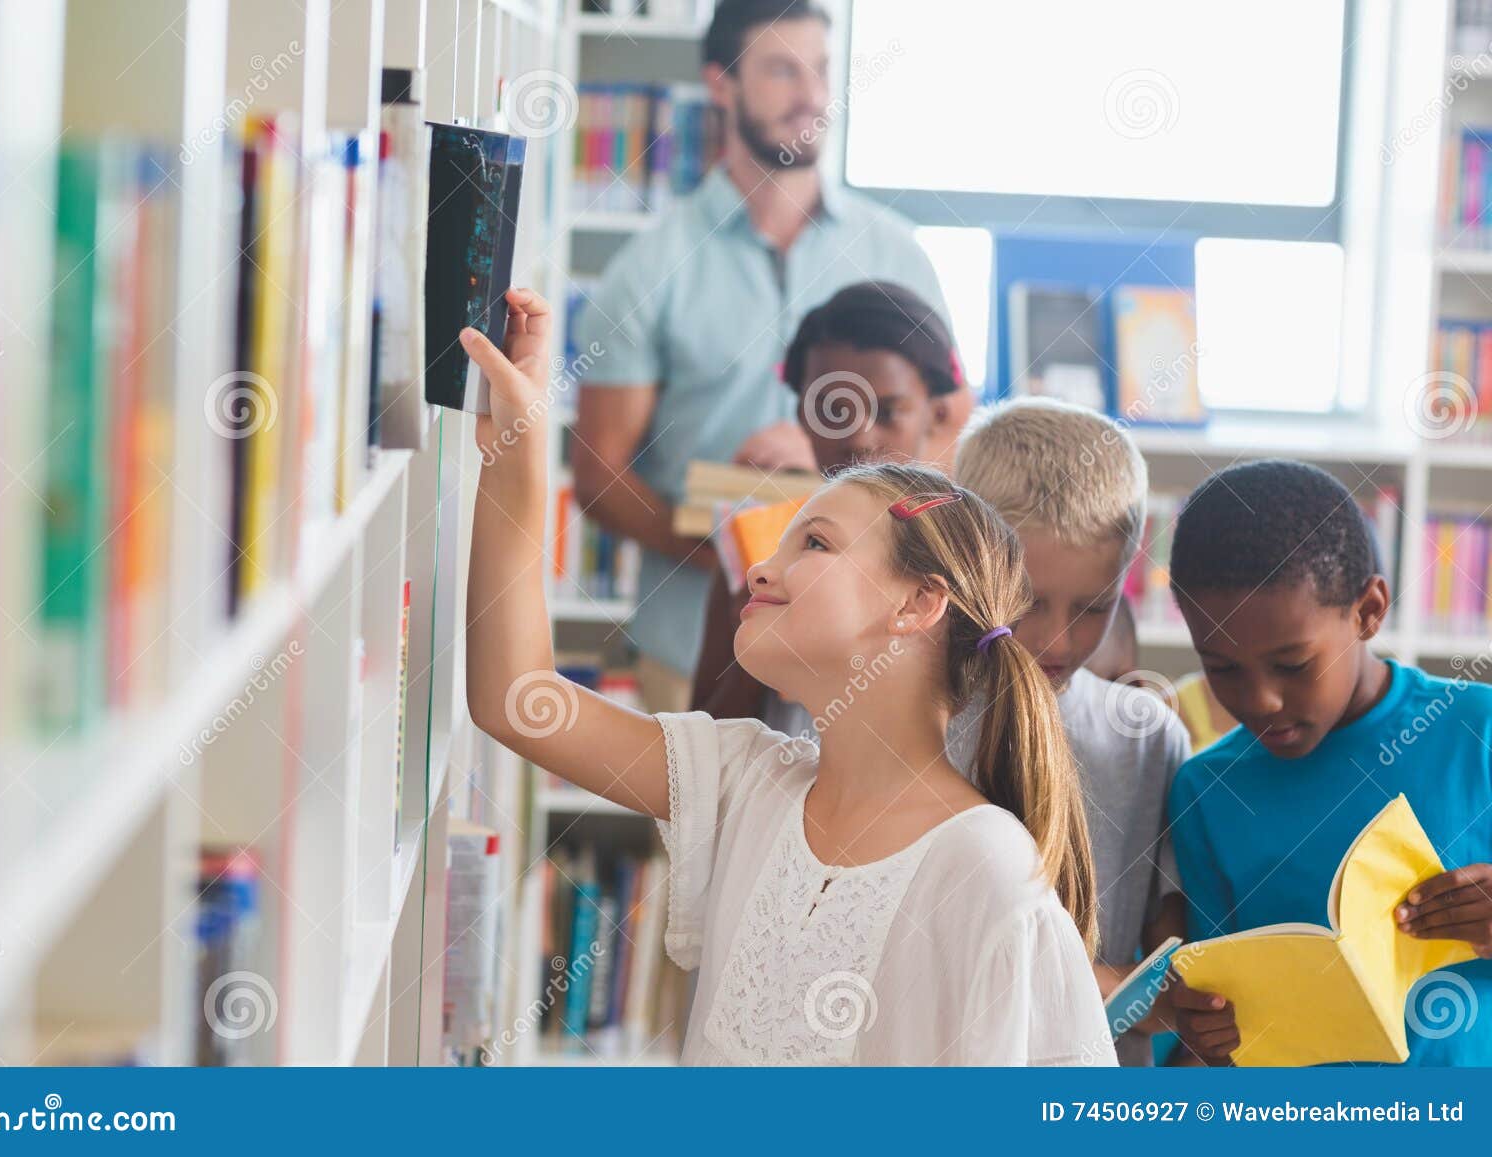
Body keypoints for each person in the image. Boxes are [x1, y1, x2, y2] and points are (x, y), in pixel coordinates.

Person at [460, 290, 1113, 1065]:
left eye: (815, 542)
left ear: (918, 603)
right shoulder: (745, 779)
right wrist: (522, 453)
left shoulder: (987, 867)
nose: (764, 565)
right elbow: (516, 702)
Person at [571, 0, 949, 713]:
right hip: (689, 649)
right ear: (721, 83)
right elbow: (598, 475)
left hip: (873, 652)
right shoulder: (647, 266)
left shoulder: (899, 256)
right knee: (696, 828)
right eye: (781, 69)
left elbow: (952, 433)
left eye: (823, 70)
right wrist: (738, 541)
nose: (811, 95)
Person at [1164, 459, 1492, 1066]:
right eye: (1223, 669)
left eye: (1292, 664)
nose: (1259, 700)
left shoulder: (1478, 730)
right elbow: (1206, 1016)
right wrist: (1203, 1033)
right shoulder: (1207, 790)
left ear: (1369, 610)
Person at [951, 398, 1192, 1065]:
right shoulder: (899, 717)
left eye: (1092, 607)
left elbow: (1168, 958)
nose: (1057, 640)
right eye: (1027, 600)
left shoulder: (1148, 739)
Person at [690, 280, 972, 730]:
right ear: (802, 413)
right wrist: (755, 638)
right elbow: (703, 734)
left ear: (935, 414)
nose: (858, 436)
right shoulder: (757, 549)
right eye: (833, 408)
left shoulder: (971, 554)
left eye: (886, 412)